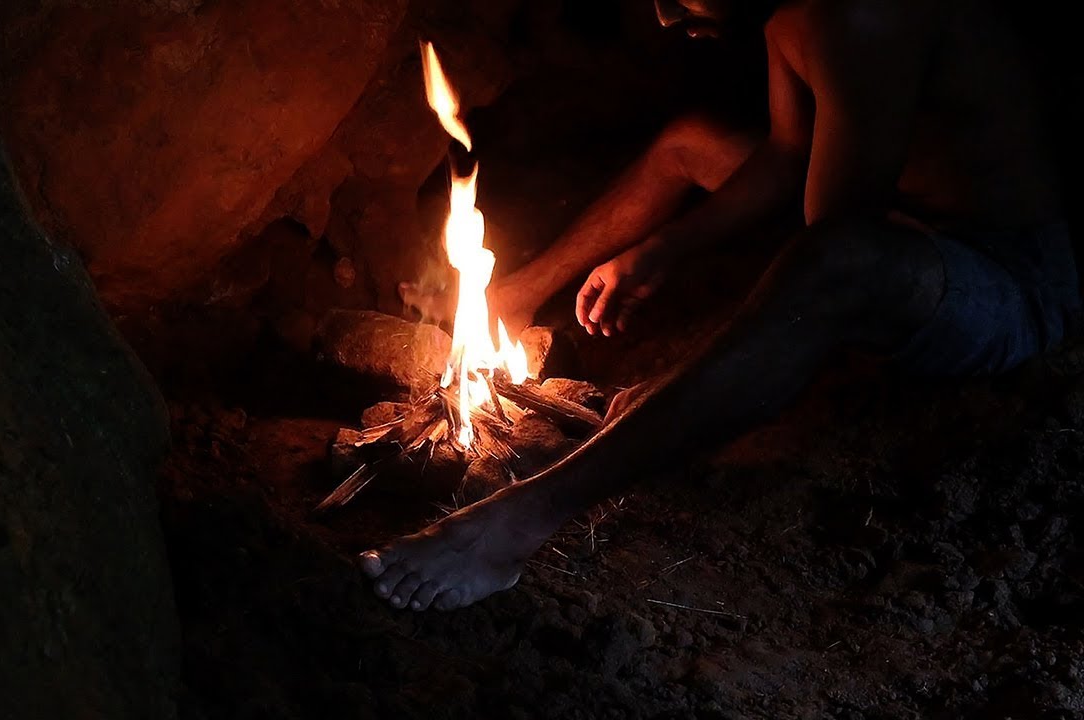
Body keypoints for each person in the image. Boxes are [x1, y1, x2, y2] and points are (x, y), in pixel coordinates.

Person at [363, 0, 1082, 612]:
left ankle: (515, 527)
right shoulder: (789, 16)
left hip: (1005, 280)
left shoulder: (861, 14)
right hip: (897, 225)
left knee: (837, 263)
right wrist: (665, 247)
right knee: (687, 144)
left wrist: (685, 379)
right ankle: (511, 300)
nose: (664, 12)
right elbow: (785, 154)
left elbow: (833, 235)